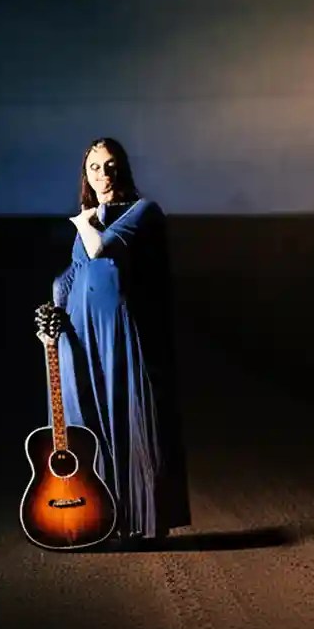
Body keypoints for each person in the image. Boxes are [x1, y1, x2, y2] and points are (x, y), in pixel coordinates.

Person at [36, 137, 191, 545]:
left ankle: (139, 521)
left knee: (127, 417)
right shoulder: (91, 217)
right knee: (84, 420)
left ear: (123, 169)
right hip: (81, 334)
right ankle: (95, 517)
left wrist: (85, 221)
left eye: (110, 165)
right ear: (85, 175)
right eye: (94, 168)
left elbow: (100, 247)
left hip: (120, 334)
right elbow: (69, 279)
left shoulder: (143, 212)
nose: (103, 174)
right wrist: (50, 318)